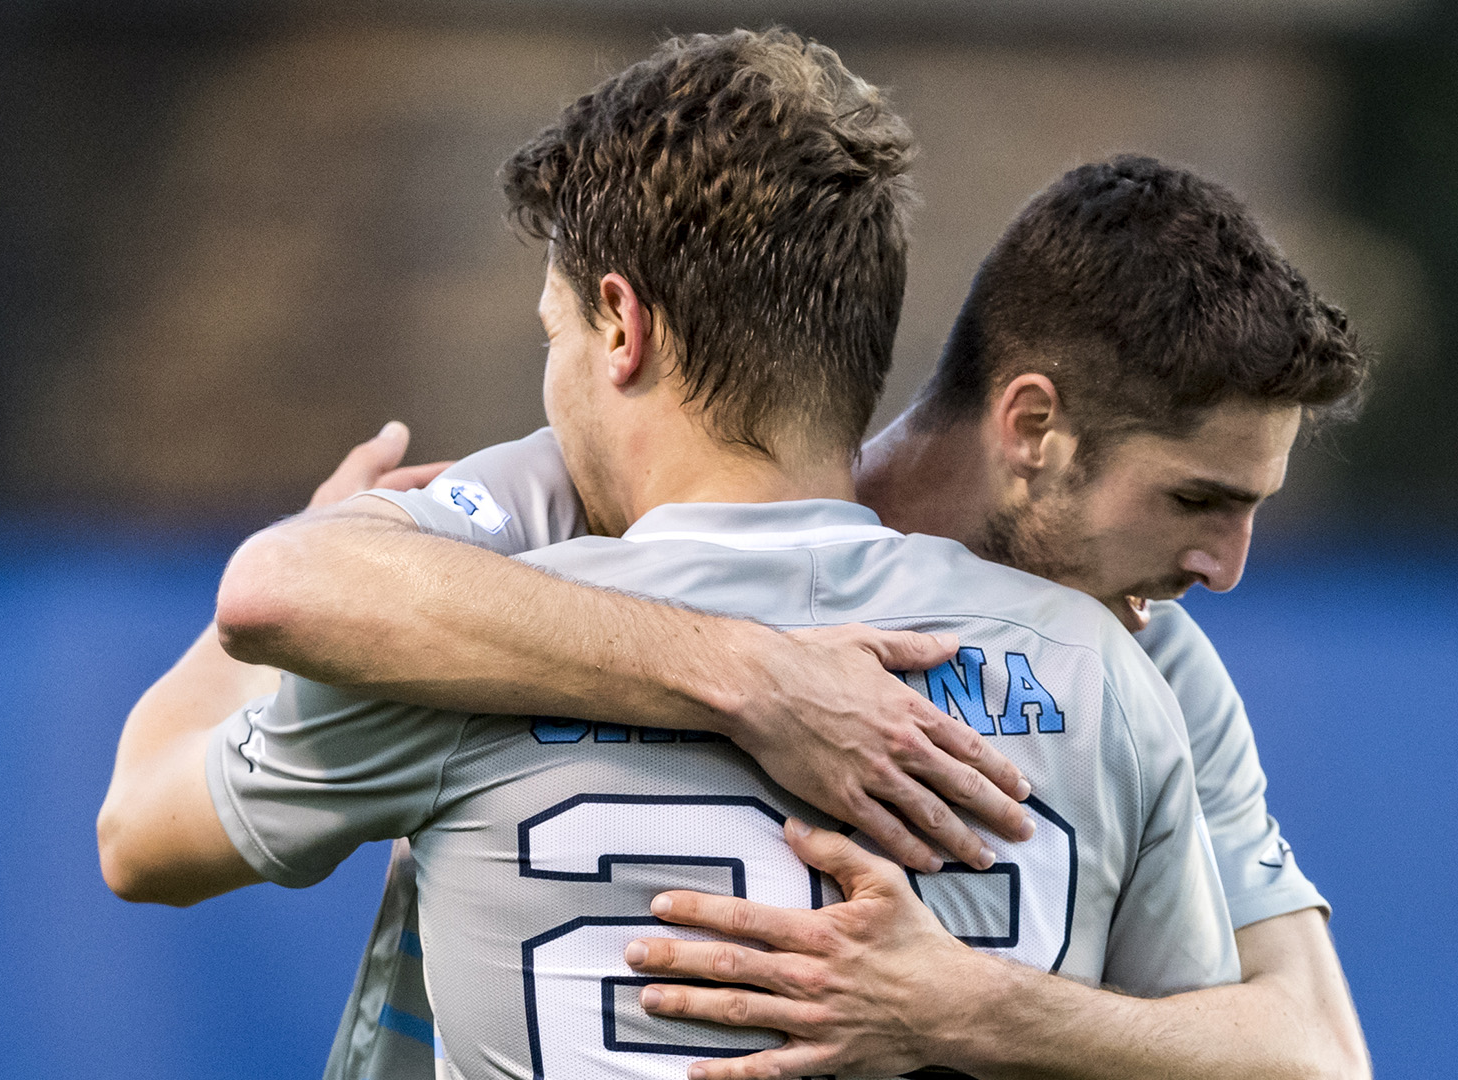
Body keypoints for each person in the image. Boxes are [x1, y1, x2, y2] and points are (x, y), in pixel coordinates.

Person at [97, 29, 1245, 1080]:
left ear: (621, 327)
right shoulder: (1105, 672)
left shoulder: (455, 650)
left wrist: (320, 536)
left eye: (555, 335)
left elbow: (141, 833)